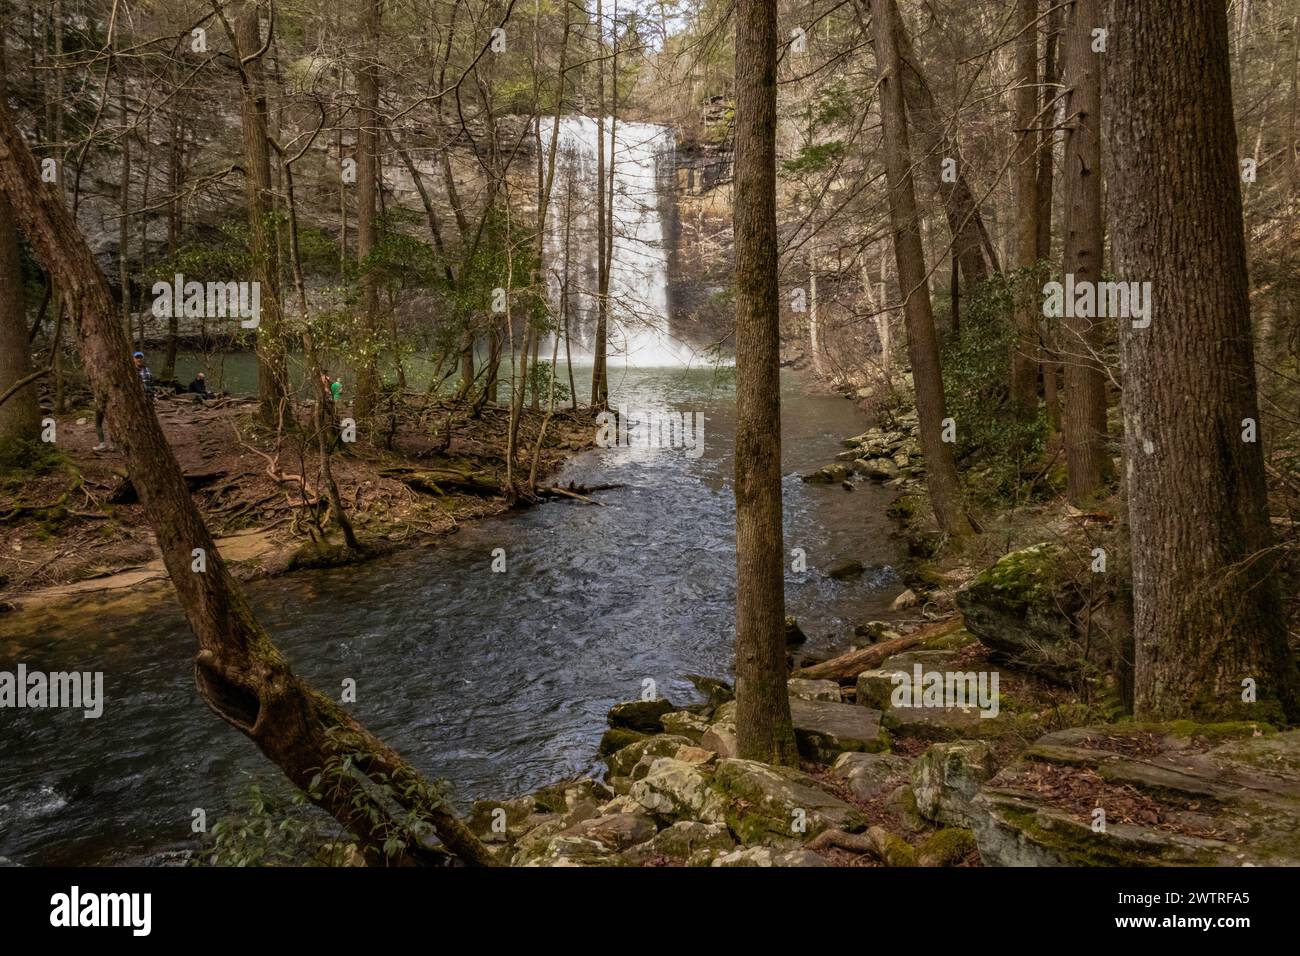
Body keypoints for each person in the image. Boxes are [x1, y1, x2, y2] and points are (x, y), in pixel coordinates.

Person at [93, 352, 155, 451]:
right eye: (137, 357)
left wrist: (151, 399)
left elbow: (150, 387)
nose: (138, 359)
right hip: (127, 401)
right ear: (133, 359)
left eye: (140, 357)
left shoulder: (143, 372)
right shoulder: (131, 371)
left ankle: (113, 444)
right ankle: (108, 444)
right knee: (106, 422)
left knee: (118, 422)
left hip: (138, 401)